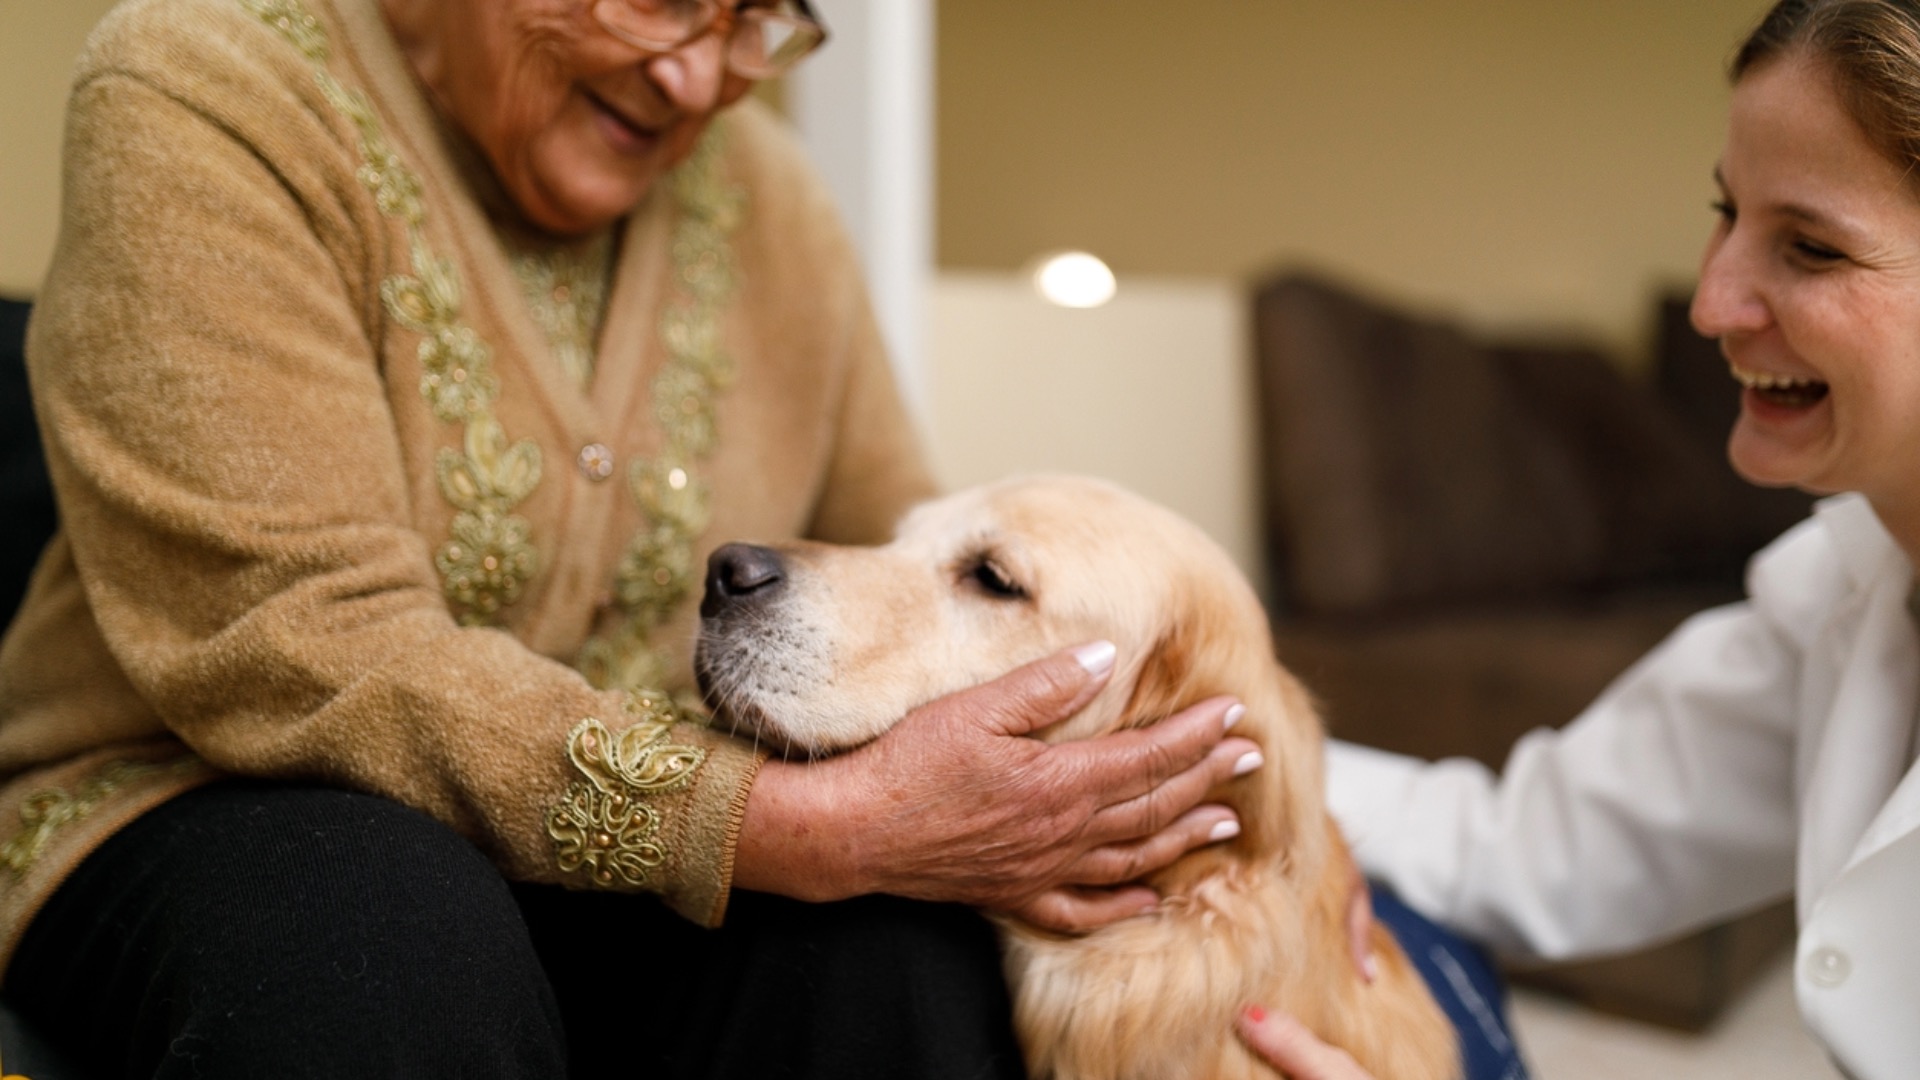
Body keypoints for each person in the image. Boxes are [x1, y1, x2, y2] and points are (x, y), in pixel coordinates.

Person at [0, 0, 1263, 1075]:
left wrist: (1278, 850)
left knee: (896, 960)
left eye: (756, 18)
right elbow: (297, 643)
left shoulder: (775, 202)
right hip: (203, 802)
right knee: (378, 926)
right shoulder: (208, 90)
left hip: (660, 863)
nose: (698, 77)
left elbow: (898, 570)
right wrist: (815, 830)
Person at [1237, 2, 1920, 1078]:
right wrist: (1189, 743)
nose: (1712, 302)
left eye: (1812, 247)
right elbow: (1517, 848)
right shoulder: (1845, 594)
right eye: (1725, 211)